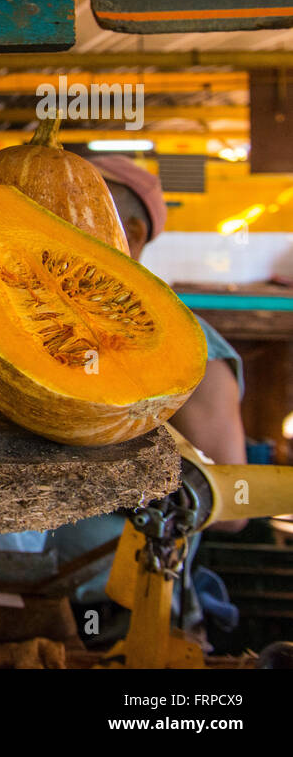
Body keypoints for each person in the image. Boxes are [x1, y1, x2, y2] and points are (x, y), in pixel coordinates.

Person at [51, 156, 248, 647]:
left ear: (133, 235)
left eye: (73, 218)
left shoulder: (193, 353)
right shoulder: (36, 333)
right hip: (15, 605)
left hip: (129, 622)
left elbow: (238, 504)